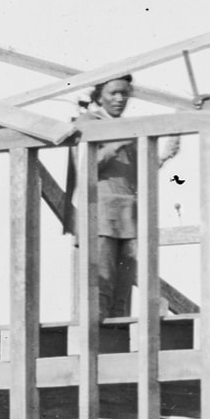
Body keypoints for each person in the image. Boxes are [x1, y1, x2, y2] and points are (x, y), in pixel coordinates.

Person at [76, 74, 175, 319]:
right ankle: (96, 345)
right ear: (100, 96)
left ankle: (117, 340)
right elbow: (86, 167)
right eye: (113, 93)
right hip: (102, 213)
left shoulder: (129, 129)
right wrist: (117, 142)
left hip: (129, 215)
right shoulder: (89, 121)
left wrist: (163, 157)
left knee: (123, 288)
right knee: (102, 284)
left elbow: (137, 172)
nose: (120, 99)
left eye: (124, 93)